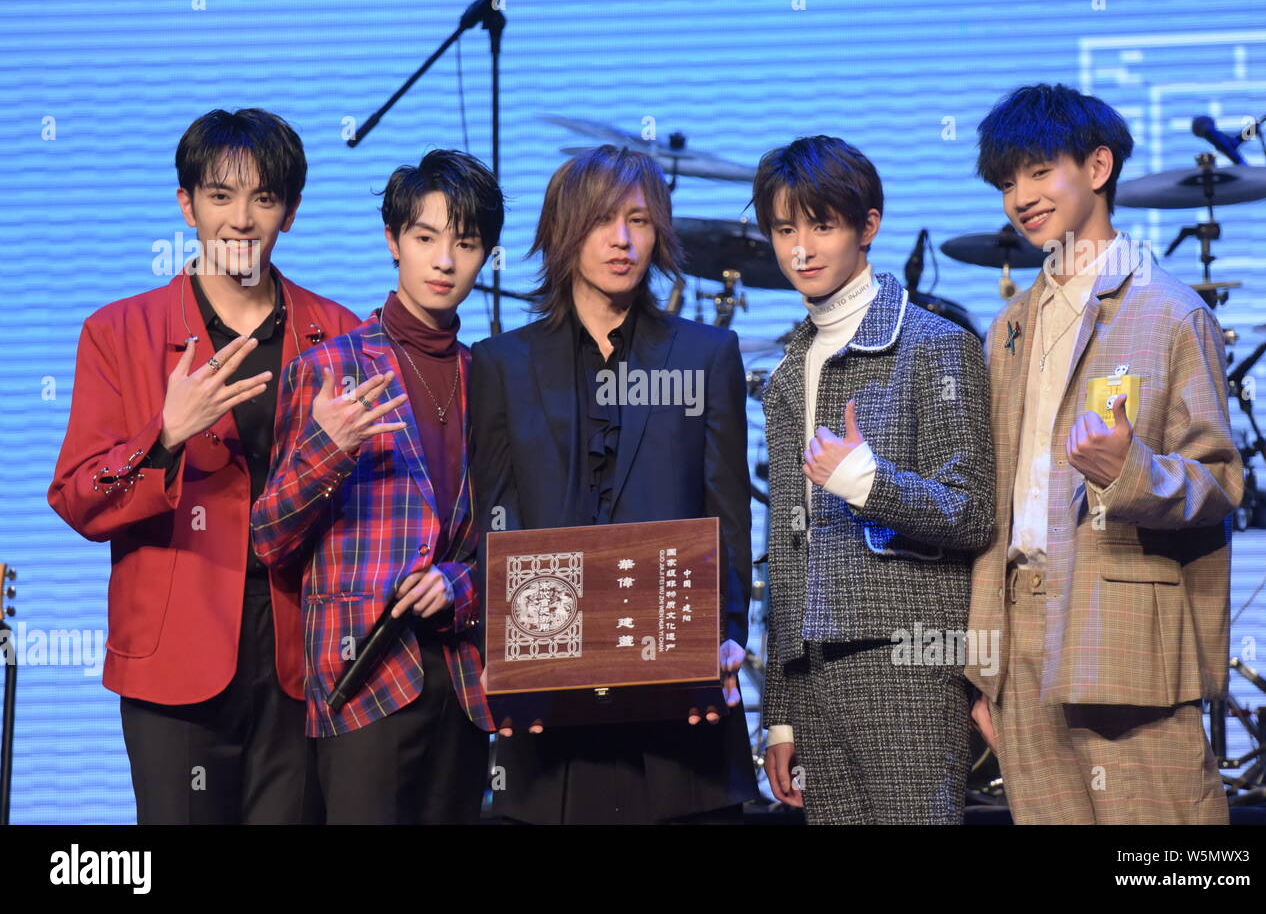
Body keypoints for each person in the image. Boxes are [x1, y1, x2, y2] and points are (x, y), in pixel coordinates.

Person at [48, 108, 359, 823]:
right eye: (220, 196)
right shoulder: (118, 331)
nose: (242, 220)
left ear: (293, 210)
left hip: (301, 653)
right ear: (186, 205)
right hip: (174, 658)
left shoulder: (340, 333)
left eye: (264, 198)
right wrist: (165, 436)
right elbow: (76, 499)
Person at [966, 83, 1244, 824]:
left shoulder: (1170, 311)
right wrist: (981, 668)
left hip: (1118, 625)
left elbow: (1218, 480)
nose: (1019, 197)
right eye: (1005, 181)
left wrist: (1133, 471)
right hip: (1018, 632)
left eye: (1035, 171)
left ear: (1096, 167)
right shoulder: (1008, 329)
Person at [470, 144, 757, 824]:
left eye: (639, 220)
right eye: (601, 220)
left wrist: (727, 631)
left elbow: (727, 513)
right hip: (551, 703)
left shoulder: (705, 355)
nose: (622, 240)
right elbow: (496, 520)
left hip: (678, 694)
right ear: (563, 231)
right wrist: (499, 649)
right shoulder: (501, 364)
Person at [251, 150, 503, 823]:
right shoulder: (331, 368)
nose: (444, 261)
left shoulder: (494, 380)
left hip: (465, 680)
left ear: (487, 256)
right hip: (363, 674)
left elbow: (512, 534)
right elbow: (270, 538)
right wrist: (328, 448)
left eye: (466, 243)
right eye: (425, 239)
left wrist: (461, 584)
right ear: (393, 242)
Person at [754, 136, 994, 823]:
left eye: (822, 225)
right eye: (785, 229)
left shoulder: (933, 343)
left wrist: (868, 481)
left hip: (909, 664)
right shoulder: (784, 374)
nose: (802, 247)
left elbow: (974, 511)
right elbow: (789, 552)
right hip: (815, 670)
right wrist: (781, 714)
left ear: (869, 226)